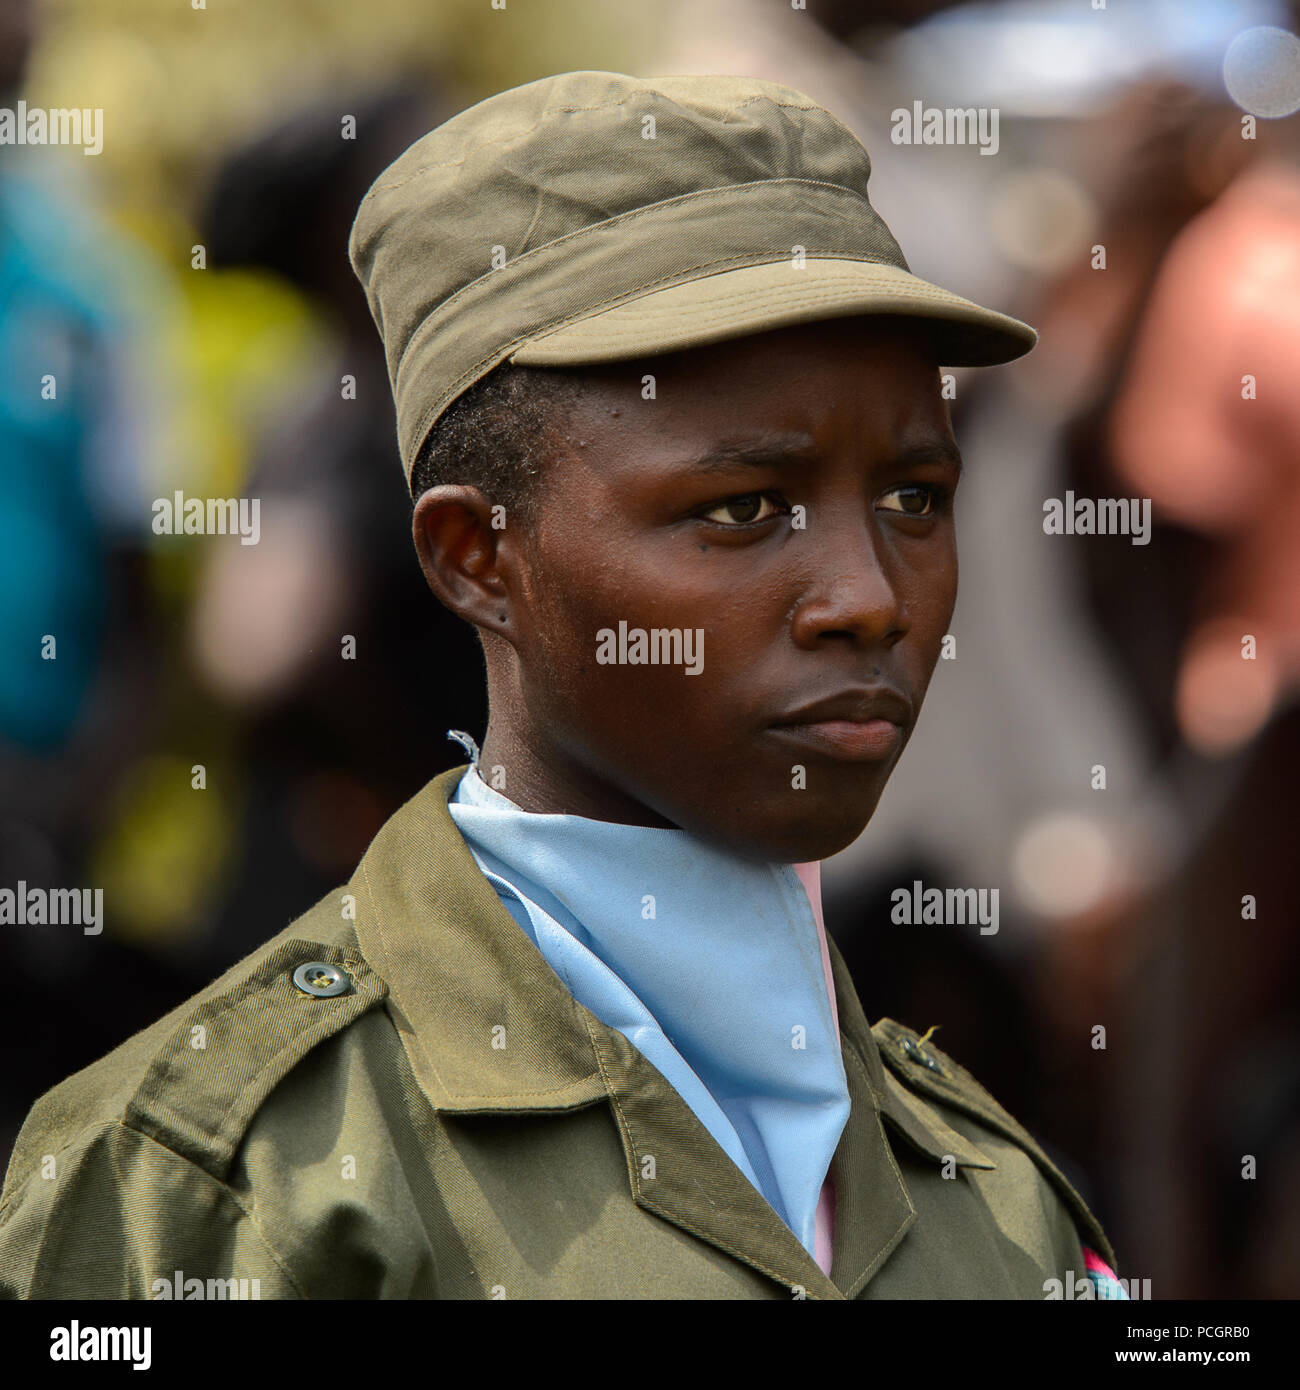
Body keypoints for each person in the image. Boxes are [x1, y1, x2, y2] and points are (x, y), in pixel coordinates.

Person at [0, 70, 1122, 1300]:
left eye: (914, 497)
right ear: (480, 559)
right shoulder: (233, 1180)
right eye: (743, 508)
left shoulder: (1000, 1197)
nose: (867, 596)